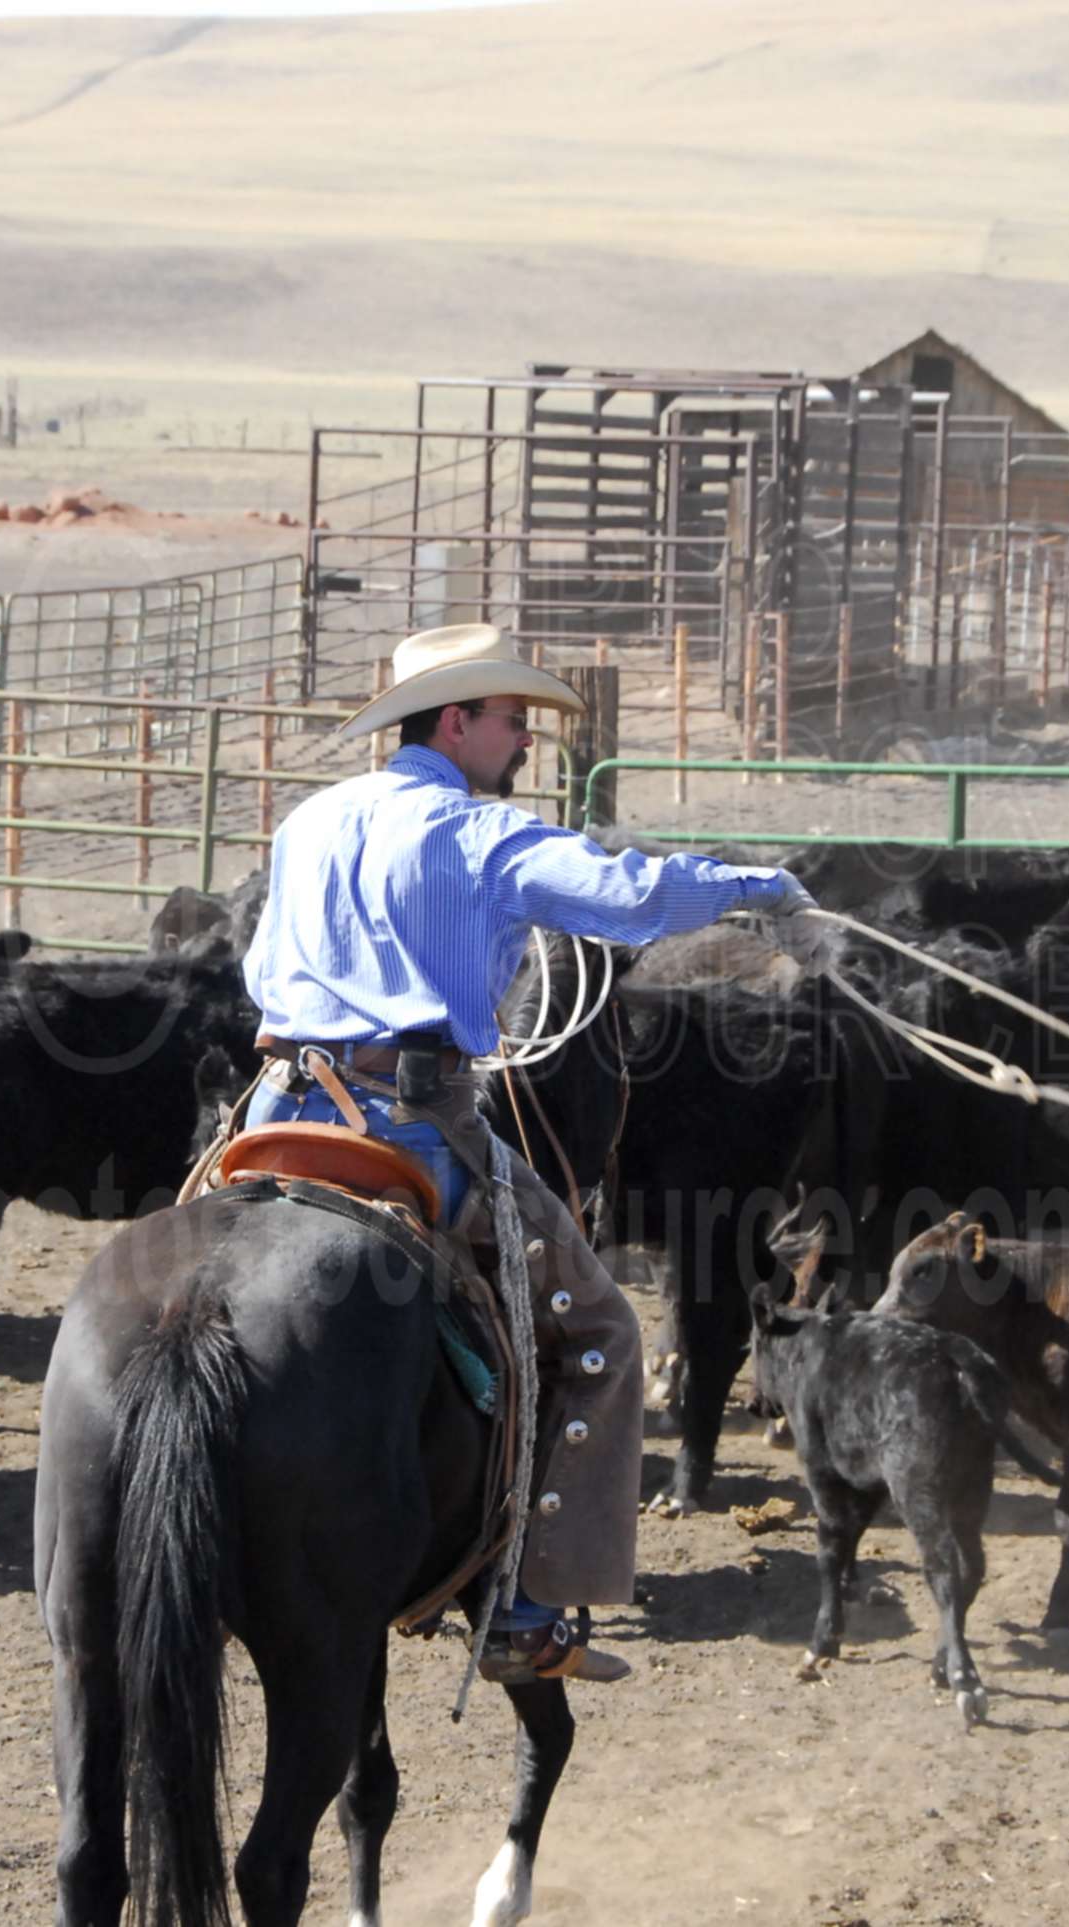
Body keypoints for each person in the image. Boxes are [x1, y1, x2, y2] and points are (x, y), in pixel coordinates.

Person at [242, 622, 827, 1683]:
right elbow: (632, 892)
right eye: (513, 720)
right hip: (409, 1118)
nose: (524, 742)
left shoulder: (309, 820)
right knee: (597, 1326)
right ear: (456, 721)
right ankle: (527, 1607)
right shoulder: (479, 836)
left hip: (274, 1107)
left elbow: (257, 967)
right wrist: (756, 885)